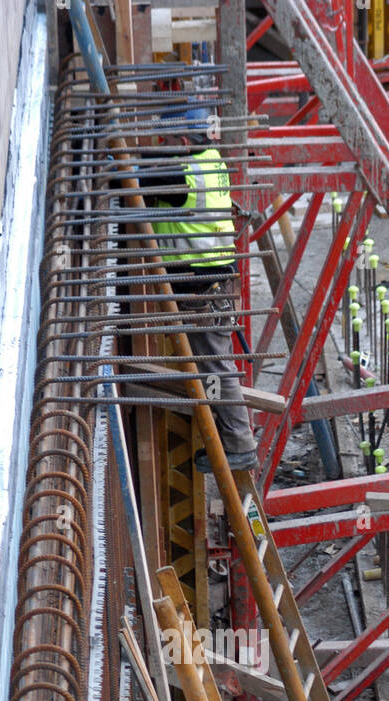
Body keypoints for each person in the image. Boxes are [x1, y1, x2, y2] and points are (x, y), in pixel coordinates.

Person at [139, 106, 258, 473]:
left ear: (185, 141)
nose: (163, 147)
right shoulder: (209, 161)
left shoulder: (185, 172)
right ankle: (225, 440)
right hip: (210, 283)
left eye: (168, 141)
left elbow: (128, 180)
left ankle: (238, 444)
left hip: (204, 285)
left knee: (215, 369)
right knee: (211, 367)